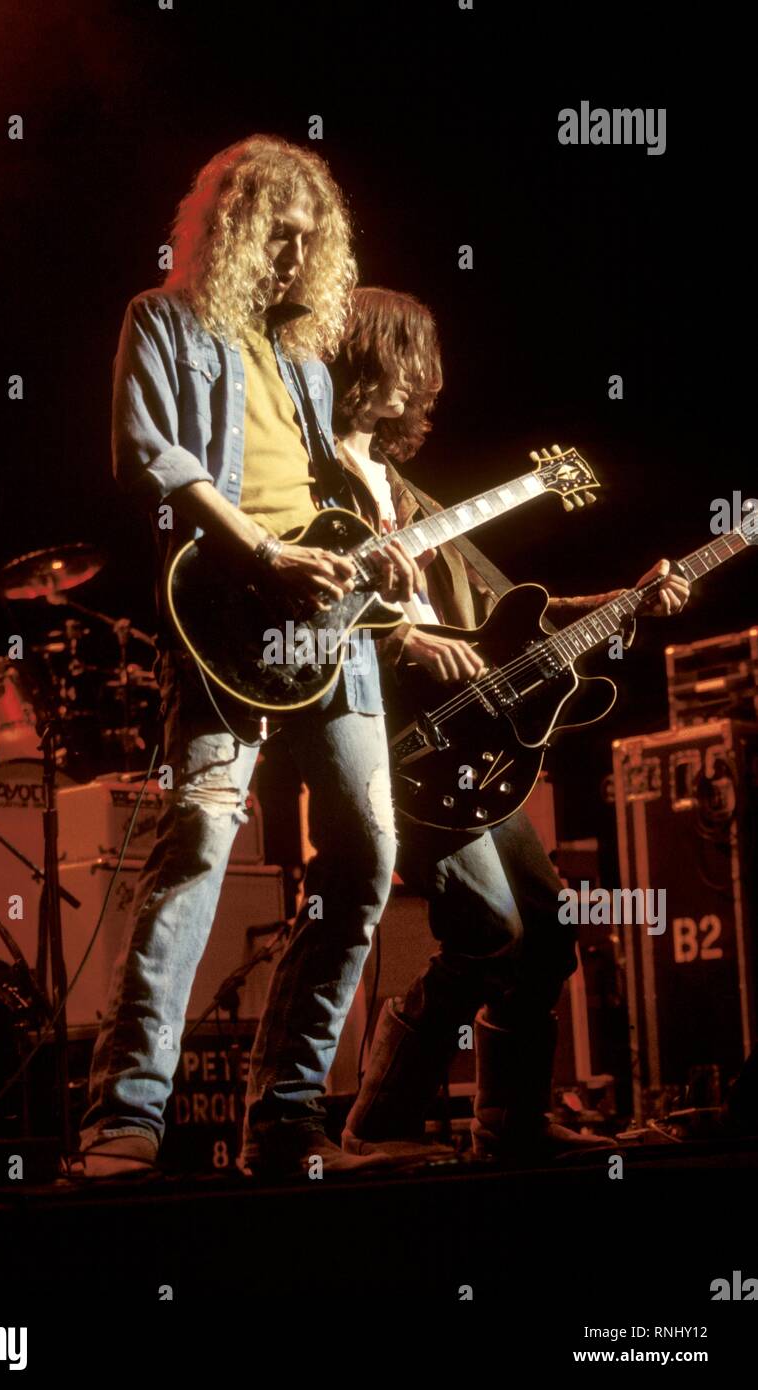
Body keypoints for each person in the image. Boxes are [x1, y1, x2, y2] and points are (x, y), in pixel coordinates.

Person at [79, 143, 427, 1180]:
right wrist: (265, 554)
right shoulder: (163, 322)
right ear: (230, 226)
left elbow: (327, 502)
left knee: (365, 857)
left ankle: (285, 1122)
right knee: (197, 845)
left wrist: (380, 557)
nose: (295, 257)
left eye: (310, 240)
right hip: (225, 618)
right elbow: (150, 456)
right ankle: (126, 1119)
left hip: (333, 637)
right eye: (279, 235)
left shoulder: (308, 363)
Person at [329, 286, 690, 1165]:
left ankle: (509, 1123)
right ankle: (379, 1123)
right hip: (398, 744)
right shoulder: (319, 479)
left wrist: (626, 601)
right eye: (406, 357)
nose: (421, 380)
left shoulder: (410, 497)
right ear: (363, 358)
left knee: (549, 928)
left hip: (473, 748)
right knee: (488, 932)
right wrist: (403, 641)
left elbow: (513, 617)